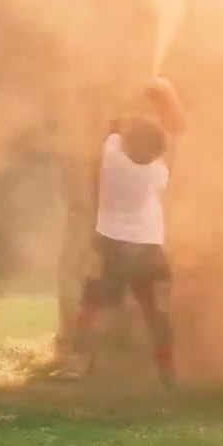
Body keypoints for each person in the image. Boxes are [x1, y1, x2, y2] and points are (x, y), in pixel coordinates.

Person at [57, 99, 181, 387]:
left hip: (111, 246)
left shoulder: (112, 155)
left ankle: (77, 364)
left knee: (90, 307)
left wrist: (129, 108)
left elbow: (114, 126)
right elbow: (167, 140)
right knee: (156, 313)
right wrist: (160, 95)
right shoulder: (156, 173)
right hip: (148, 249)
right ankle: (168, 370)